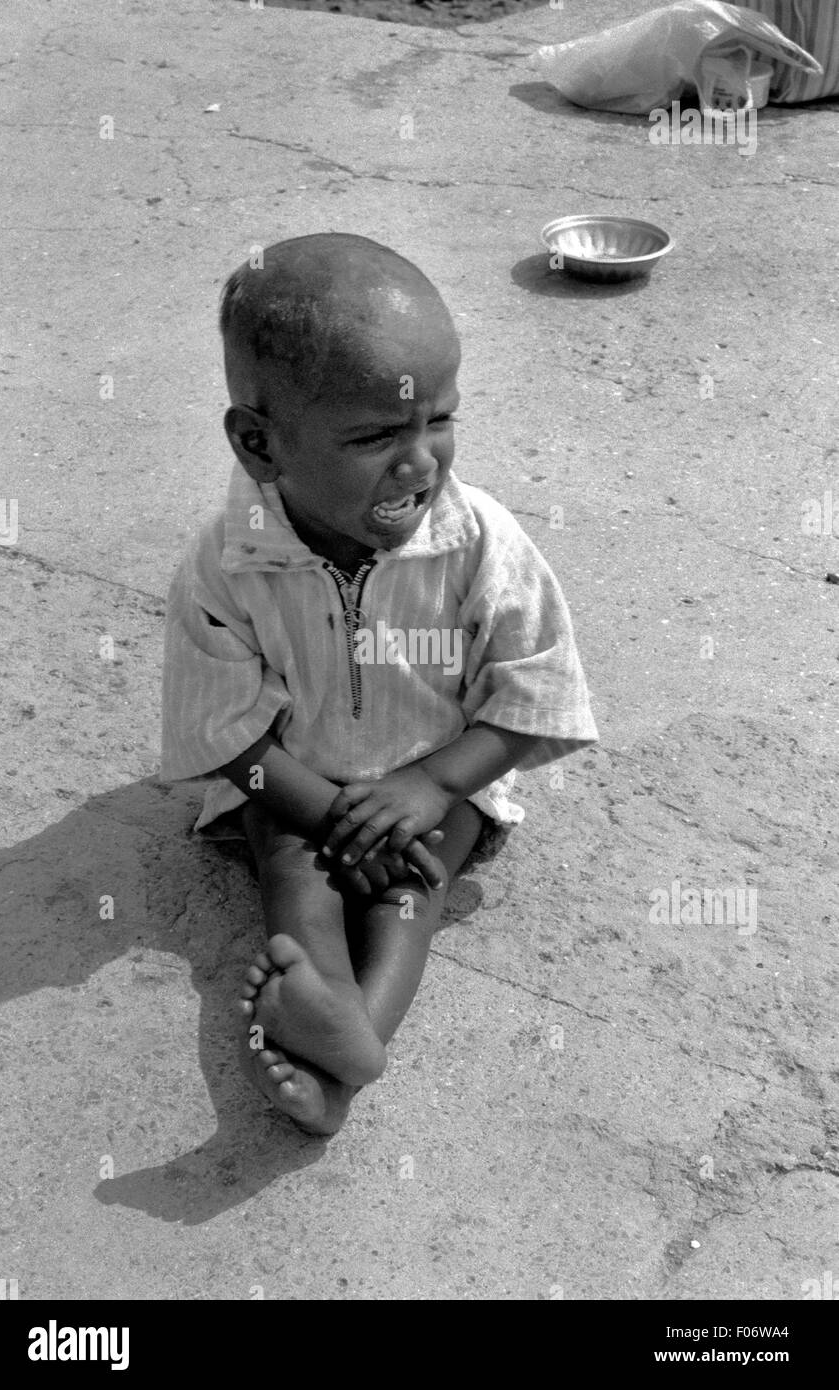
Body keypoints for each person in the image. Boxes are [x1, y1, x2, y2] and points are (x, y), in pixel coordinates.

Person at [161, 233, 597, 1134]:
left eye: (438, 419)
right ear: (258, 444)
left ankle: (353, 1048)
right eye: (374, 437)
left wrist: (434, 781)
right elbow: (226, 736)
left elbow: (534, 694)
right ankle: (328, 1021)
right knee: (296, 877)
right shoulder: (227, 563)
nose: (421, 463)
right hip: (290, 784)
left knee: (412, 885)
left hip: (438, 775)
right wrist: (322, 811)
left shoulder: (478, 541)